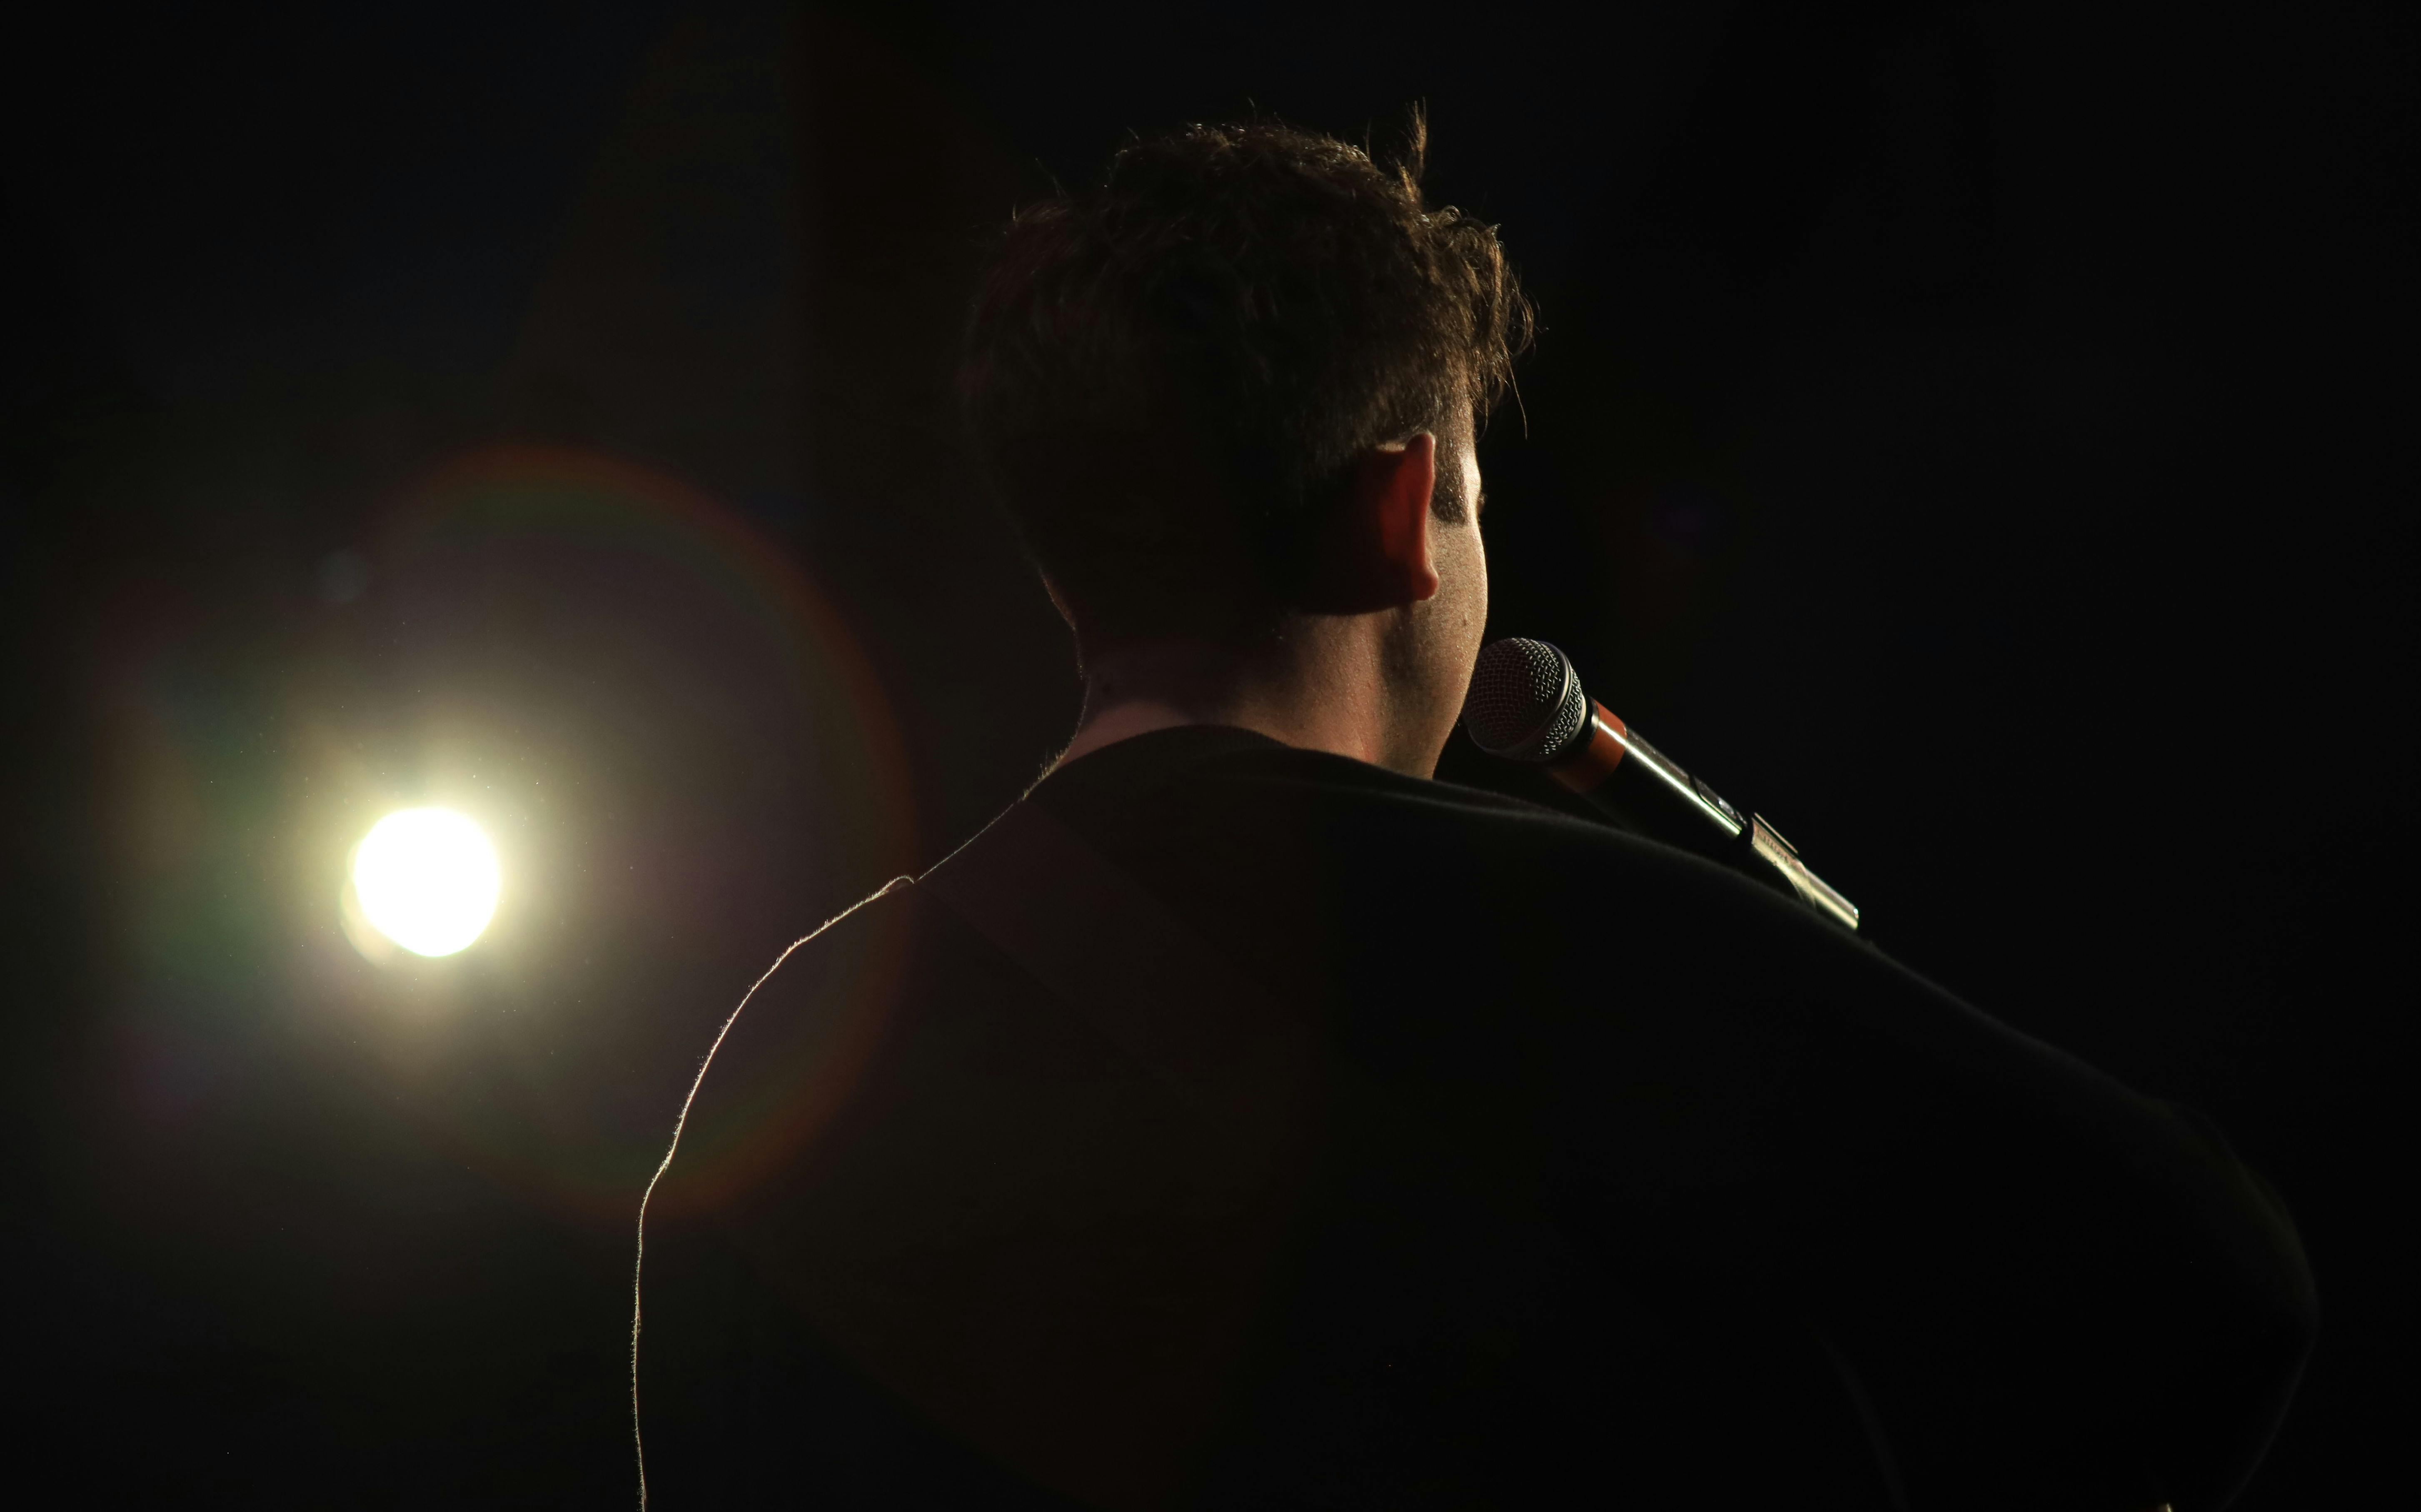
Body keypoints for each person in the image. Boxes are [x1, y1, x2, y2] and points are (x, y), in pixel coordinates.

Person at [633, 118, 2315, 1510]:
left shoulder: (769, 1068)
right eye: (1470, 492)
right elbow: (2214, 1280)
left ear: (1062, 557)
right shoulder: (1588, 936)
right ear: (1398, 518)